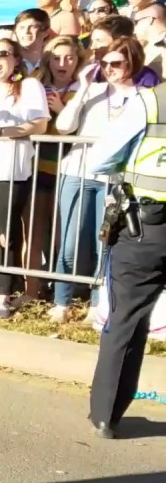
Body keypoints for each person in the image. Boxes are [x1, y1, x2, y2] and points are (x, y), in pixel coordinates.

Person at [80, 74, 166, 439]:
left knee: (127, 317)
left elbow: (101, 157)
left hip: (148, 226)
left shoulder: (150, 102)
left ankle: (106, 415)